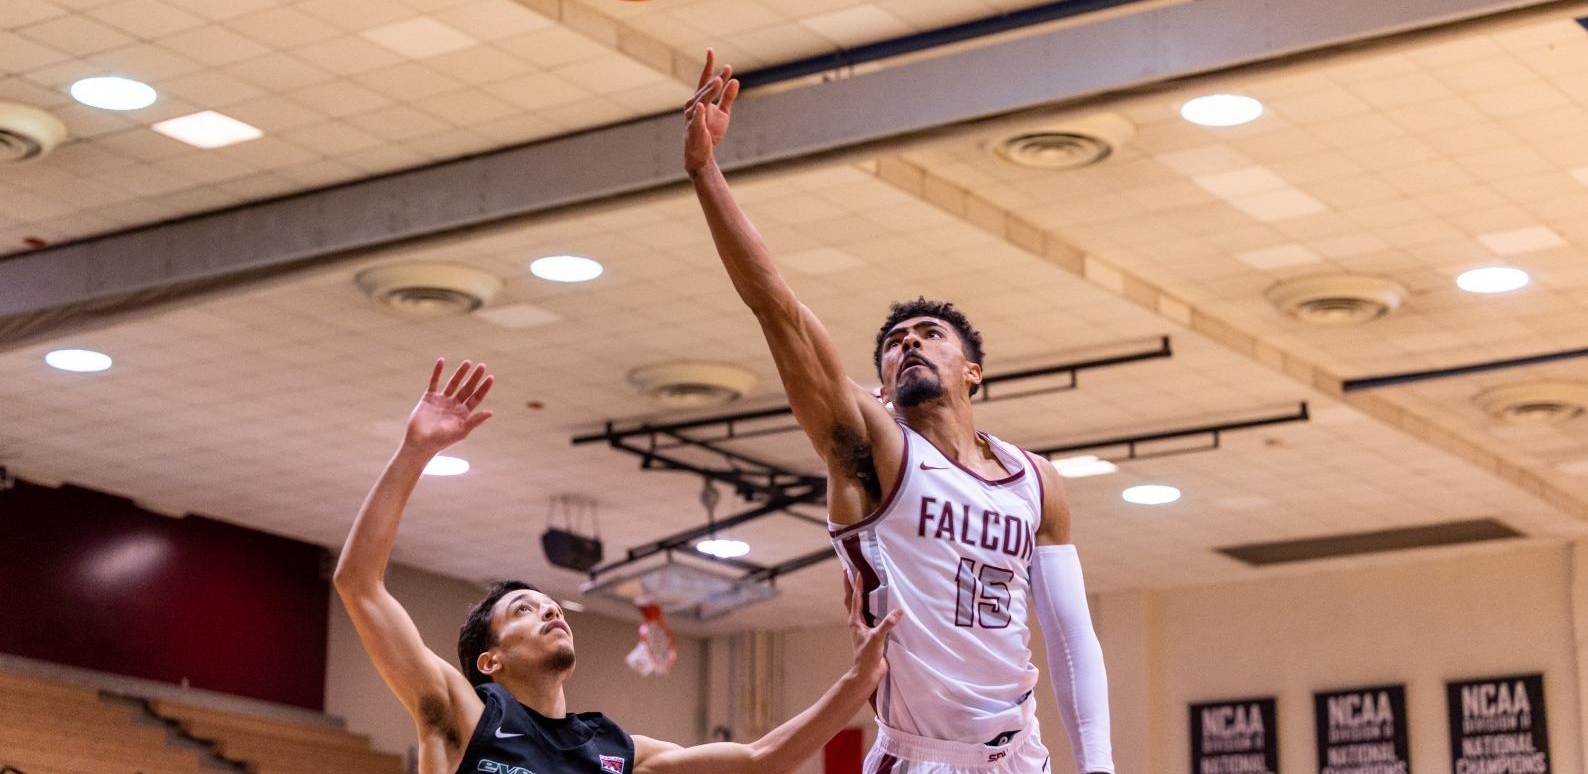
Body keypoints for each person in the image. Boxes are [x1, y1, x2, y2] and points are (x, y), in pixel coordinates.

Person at [683, 53, 1115, 774]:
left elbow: (1072, 638)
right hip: (922, 757)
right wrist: (706, 174)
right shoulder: (873, 450)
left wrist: (1098, 764)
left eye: (929, 335)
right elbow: (777, 308)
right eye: (894, 343)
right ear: (881, 384)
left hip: (1021, 756)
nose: (909, 343)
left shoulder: (1035, 480)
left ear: (972, 371)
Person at [334, 358, 902, 774]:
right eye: (524, 610)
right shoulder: (463, 715)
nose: (551, 612)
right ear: (491, 661)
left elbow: (760, 759)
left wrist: (858, 681)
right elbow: (359, 584)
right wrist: (415, 451)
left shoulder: (613, 750)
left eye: (551, 606)